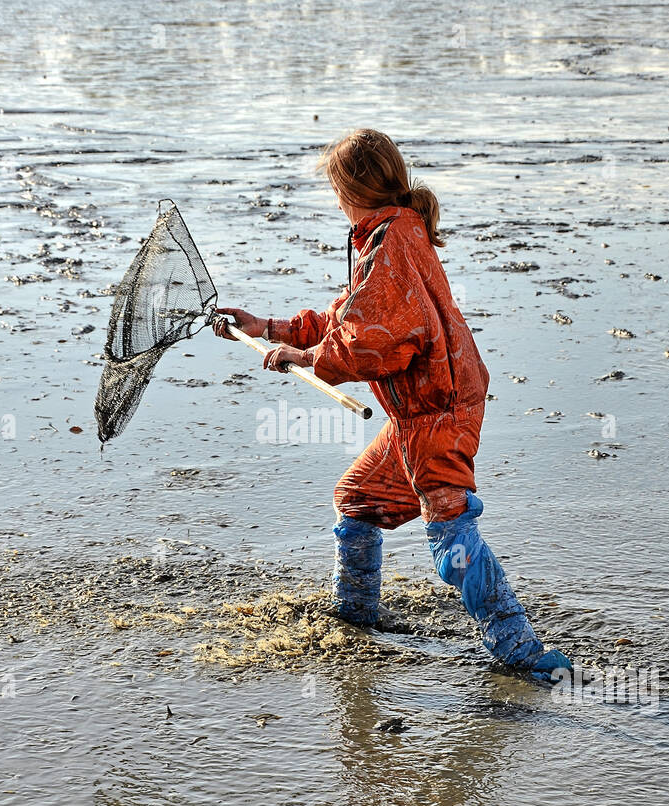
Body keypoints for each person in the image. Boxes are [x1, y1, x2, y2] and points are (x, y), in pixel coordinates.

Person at [212, 128, 572, 683]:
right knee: (357, 500)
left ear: (348, 189)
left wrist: (303, 358)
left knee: (450, 533)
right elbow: (348, 315)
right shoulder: (387, 234)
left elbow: (372, 342)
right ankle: (355, 618)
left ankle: (521, 651)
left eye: (334, 187)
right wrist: (270, 328)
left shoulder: (393, 244)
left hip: (439, 408)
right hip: (418, 412)